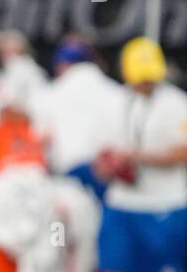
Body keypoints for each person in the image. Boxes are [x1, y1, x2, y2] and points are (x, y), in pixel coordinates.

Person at [88, 37, 187, 272]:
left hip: (166, 203)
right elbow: (100, 158)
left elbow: (186, 153)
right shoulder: (113, 104)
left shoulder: (178, 104)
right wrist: (111, 166)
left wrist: (137, 156)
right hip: (123, 201)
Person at [33, 37, 125, 197]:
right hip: (106, 171)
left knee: (63, 222)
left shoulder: (50, 93)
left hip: (66, 173)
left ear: (62, 64)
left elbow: (42, 137)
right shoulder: (117, 92)